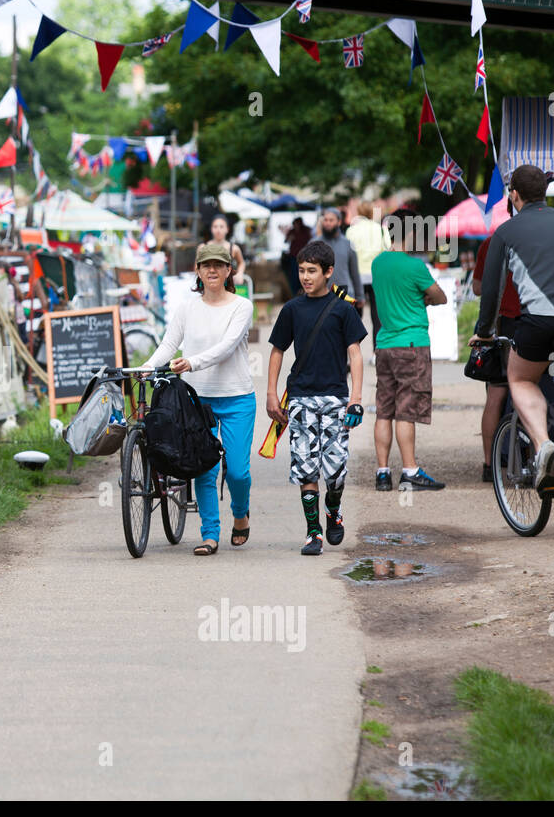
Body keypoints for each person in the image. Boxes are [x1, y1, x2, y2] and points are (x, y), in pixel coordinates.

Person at [472, 164, 554, 491]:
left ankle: (545, 446)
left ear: (514, 194)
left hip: (543, 320)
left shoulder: (506, 232)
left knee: (520, 379)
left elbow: (490, 291)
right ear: (544, 192)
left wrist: (485, 332)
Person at [143, 241, 255, 556]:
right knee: (205, 467)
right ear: (198, 271)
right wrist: (146, 367)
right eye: (207, 265)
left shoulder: (241, 306)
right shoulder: (187, 307)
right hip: (197, 401)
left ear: (229, 270)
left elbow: (228, 347)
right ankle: (210, 534)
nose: (212, 270)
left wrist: (192, 362)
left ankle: (240, 513)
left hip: (236, 398)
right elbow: (168, 345)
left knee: (237, 471)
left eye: (219, 265)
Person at [266, 240, 367, 555]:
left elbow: (356, 354)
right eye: (301, 270)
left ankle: (333, 512)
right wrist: (271, 393)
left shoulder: (342, 310)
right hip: (300, 400)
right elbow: (277, 351)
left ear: (329, 272)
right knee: (306, 467)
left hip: (336, 399)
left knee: (335, 470)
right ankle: (313, 533)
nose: (305, 277)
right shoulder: (292, 309)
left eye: (312, 271)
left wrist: (356, 398)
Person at [370, 209, 448, 492]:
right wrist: (423, 298)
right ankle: (410, 470)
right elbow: (440, 296)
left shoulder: (378, 264)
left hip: (385, 344)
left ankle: (382, 472)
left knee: (384, 410)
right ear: (412, 232)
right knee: (406, 410)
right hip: (412, 344)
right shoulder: (414, 267)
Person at [471, 235, 521, 483]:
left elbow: (478, 287)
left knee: (497, 393)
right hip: (540, 321)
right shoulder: (544, 236)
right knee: (535, 390)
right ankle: (533, 458)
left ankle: (489, 465)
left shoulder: (492, 243)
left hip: (503, 322)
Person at [346, 201, 392, 343]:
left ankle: (353, 348)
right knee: (377, 315)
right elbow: (389, 249)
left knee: (354, 315)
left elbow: (348, 253)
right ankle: (376, 351)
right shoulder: (380, 229)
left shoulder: (351, 230)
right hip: (376, 275)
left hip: (356, 277)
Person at [317, 207, 364, 312]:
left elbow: (354, 272)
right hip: (321, 295)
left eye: (331, 220)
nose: (327, 223)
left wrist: (360, 296)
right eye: (325, 220)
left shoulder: (348, 244)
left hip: (345, 295)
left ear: (339, 222)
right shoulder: (314, 244)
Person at [208, 214, 248, 289]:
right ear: (211, 229)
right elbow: (197, 268)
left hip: (228, 288)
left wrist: (240, 274)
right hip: (209, 288)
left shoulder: (234, 248)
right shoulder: (203, 248)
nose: (218, 230)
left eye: (221, 226)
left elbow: (241, 262)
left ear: (227, 229)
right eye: (215, 226)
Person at [282, 217, 309, 297]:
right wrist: (289, 238)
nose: (295, 225)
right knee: (294, 276)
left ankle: (304, 293)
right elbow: (285, 241)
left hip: (303, 257)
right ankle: (295, 294)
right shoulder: (292, 231)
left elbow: (308, 241)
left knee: (303, 275)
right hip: (293, 257)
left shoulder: (305, 232)